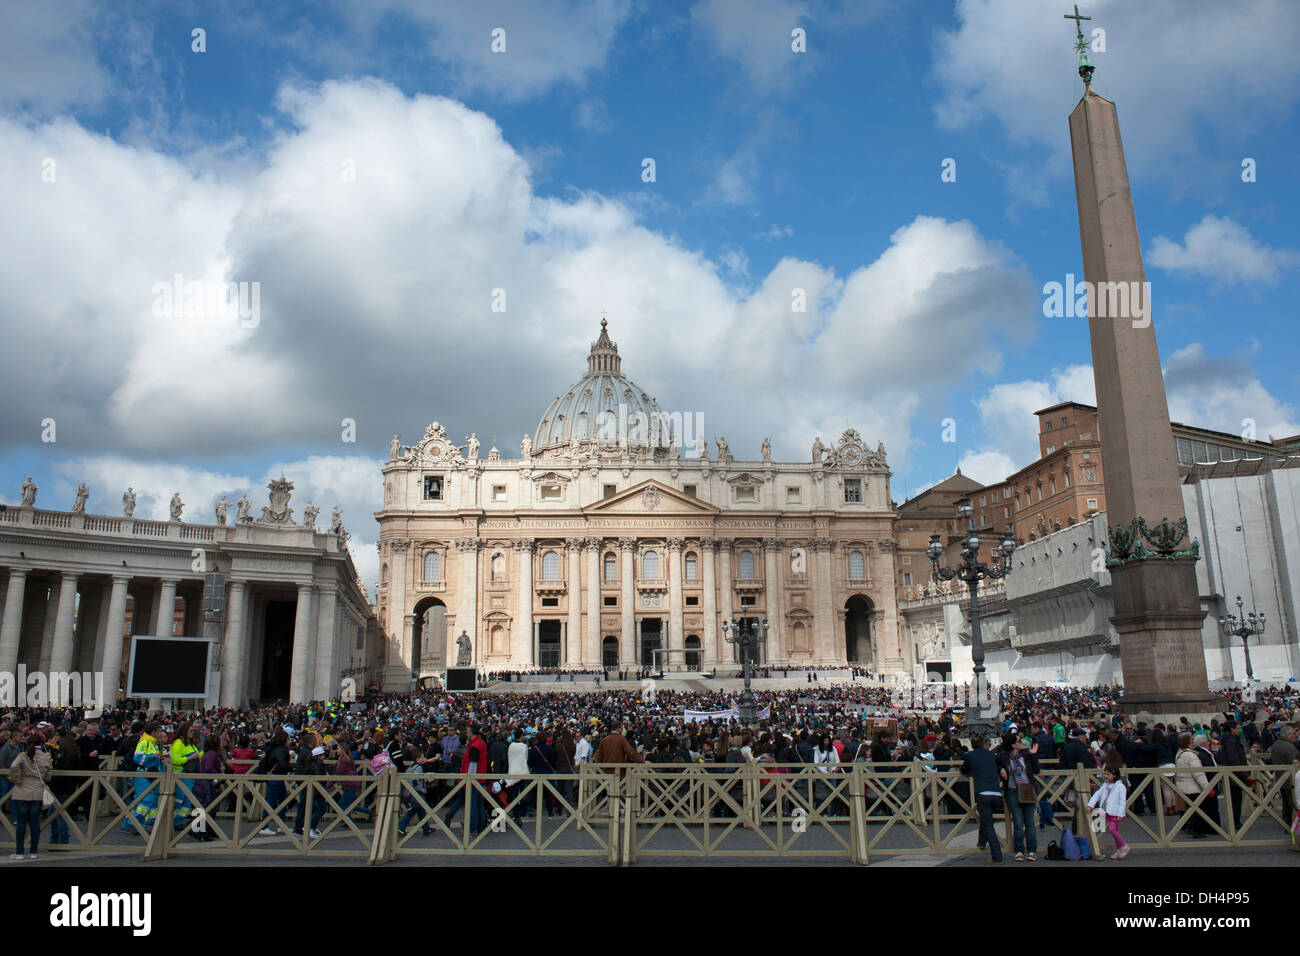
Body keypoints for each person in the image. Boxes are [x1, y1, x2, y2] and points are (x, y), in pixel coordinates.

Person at [9, 734, 53, 860]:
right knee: (34, 822)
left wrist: (17, 780)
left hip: (22, 790)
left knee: (21, 823)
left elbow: (13, 767)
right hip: (38, 790)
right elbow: (50, 772)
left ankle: (20, 852)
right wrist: (44, 779)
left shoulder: (23, 755)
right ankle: (33, 851)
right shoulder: (45, 757)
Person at [997, 734, 1040, 861]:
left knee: (1030, 823)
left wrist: (1033, 755)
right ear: (1012, 744)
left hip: (1027, 789)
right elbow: (996, 764)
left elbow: (1036, 770)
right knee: (1018, 823)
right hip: (1012, 790)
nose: (1021, 742)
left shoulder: (1026, 755)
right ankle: (1019, 850)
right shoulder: (1003, 756)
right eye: (1018, 741)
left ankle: (1032, 850)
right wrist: (1000, 769)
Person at [960, 735, 1003, 863]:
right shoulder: (991, 755)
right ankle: (982, 842)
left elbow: (964, 770)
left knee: (988, 824)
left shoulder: (970, 756)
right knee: (986, 818)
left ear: (972, 745)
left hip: (983, 792)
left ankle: (997, 855)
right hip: (996, 792)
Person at [1088, 767, 1130, 860]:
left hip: (1115, 812)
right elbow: (1097, 794)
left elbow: (1122, 802)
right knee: (1115, 830)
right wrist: (1091, 805)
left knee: (1111, 829)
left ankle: (1124, 846)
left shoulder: (1120, 787)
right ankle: (1119, 849)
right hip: (1107, 811)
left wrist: (1120, 814)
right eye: (1105, 774)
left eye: (1108, 774)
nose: (1105, 776)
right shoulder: (1105, 785)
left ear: (1114, 776)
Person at [1174, 733, 1210, 838]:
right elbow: (1198, 773)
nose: (1193, 742)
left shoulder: (1179, 754)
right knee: (1198, 809)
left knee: (1190, 809)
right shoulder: (1191, 755)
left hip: (1183, 785)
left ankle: (1191, 827)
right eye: (1191, 740)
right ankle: (1196, 829)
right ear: (1188, 742)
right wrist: (1206, 787)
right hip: (1192, 786)